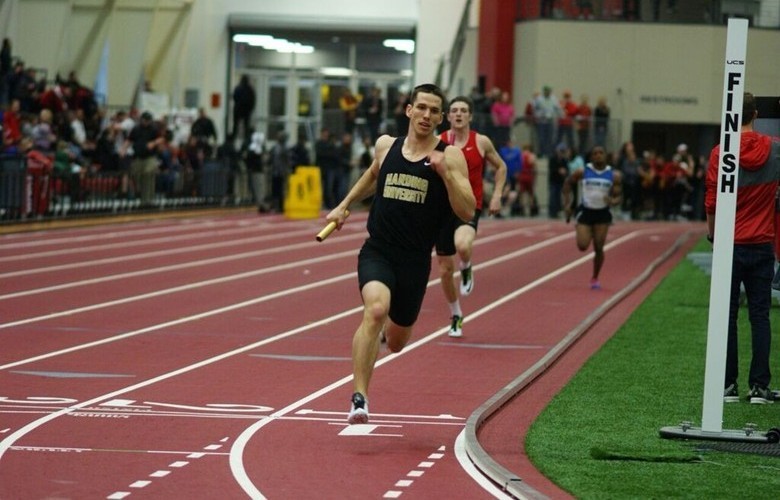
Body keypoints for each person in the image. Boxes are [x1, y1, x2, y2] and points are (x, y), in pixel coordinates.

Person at [324, 83, 475, 424]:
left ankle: (382, 335)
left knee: (397, 341)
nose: (426, 115)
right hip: (378, 249)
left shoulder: (450, 156)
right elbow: (373, 174)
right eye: (420, 107)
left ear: (441, 118)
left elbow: (467, 211)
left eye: (434, 110)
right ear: (409, 110)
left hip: (415, 259)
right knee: (376, 309)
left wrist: (447, 174)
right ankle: (359, 398)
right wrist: (344, 206)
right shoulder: (385, 145)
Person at [705, 92, 780, 404]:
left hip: (730, 244)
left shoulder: (720, 153)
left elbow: (712, 202)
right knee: (760, 315)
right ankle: (760, 386)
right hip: (762, 242)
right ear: (757, 114)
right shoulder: (775, 150)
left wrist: (713, 235)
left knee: (728, 315)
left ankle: (727, 385)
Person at [437, 96, 507, 337]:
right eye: (454, 111)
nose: (458, 114)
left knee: (463, 245)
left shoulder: (482, 141)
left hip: (469, 206)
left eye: (463, 111)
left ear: (470, 116)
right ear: (447, 116)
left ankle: (466, 265)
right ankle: (456, 314)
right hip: (442, 209)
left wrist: (496, 195)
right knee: (445, 270)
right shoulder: (439, 141)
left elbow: (501, 167)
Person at [562, 145, 623, 289]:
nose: (598, 156)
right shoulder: (583, 171)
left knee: (599, 247)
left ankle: (595, 277)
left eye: (601, 153)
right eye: (595, 153)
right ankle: (583, 229)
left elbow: (618, 196)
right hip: (586, 211)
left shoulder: (613, 175)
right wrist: (567, 204)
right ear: (591, 157)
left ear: (606, 156)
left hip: (603, 213)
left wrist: (613, 201)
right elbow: (567, 184)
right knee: (582, 246)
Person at [231, 75, 256, 142]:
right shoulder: (250, 89)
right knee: (246, 126)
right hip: (246, 110)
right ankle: (246, 141)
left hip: (238, 109)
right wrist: (251, 109)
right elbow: (253, 100)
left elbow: (234, 97)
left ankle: (233, 140)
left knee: (235, 126)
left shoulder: (238, 88)